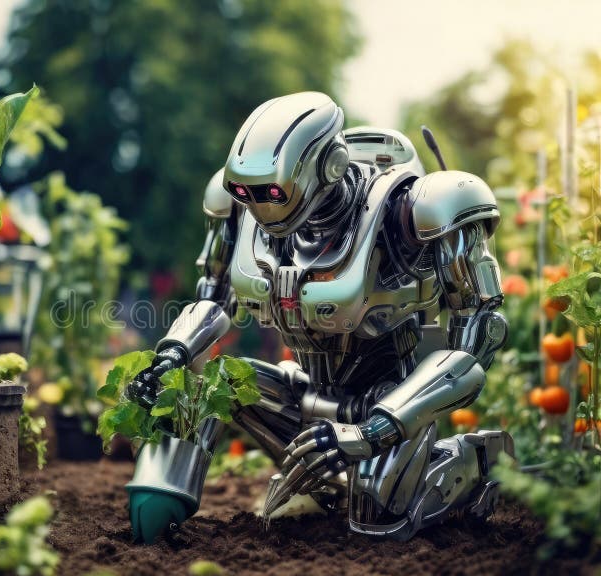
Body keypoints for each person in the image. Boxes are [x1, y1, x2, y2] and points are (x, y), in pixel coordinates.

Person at [127, 91, 514, 542]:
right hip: (306, 395)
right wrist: (172, 356)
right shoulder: (239, 208)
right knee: (215, 382)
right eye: (246, 193)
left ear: (329, 165)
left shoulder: (411, 210)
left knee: (376, 523)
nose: (258, 205)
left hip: (388, 405)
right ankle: (163, 498)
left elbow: (478, 337)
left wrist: (370, 432)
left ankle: (471, 459)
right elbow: (213, 299)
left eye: (272, 192)